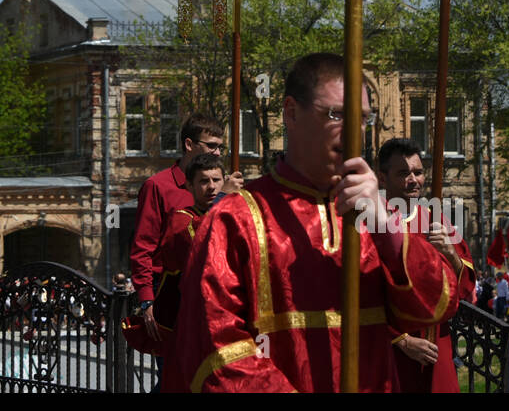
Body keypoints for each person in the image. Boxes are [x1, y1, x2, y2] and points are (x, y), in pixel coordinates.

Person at [174, 53, 459, 392]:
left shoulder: (380, 220)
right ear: (292, 112)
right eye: (336, 114)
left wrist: (387, 228)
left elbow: (436, 306)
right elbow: (216, 350)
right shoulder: (232, 221)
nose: (355, 131)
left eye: (364, 119)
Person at [377, 137, 474, 393]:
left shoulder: (436, 220)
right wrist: (401, 340)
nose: (413, 180)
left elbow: (465, 290)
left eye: (418, 172)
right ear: (382, 178)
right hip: (390, 352)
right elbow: (360, 295)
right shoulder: (371, 223)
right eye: (403, 173)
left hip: (437, 347)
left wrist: (450, 253)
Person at [130, 113, 225, 346]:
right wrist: (147, 300)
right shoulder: (158, 186)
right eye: (211, 146)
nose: (218, 153)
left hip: (211, 293)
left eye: (221, 147)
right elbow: (143, 247)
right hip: (169, 290)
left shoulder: (219, 187)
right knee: (173, 373)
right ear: (189, 144)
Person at [154, 152, 226, 393]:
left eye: (216, 180)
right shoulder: (182, 221)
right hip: (191, 322)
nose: (211, 187)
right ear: (190, 185)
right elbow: (199, 248)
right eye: (204, 181)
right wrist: (228, 206)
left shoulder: (231, 214)